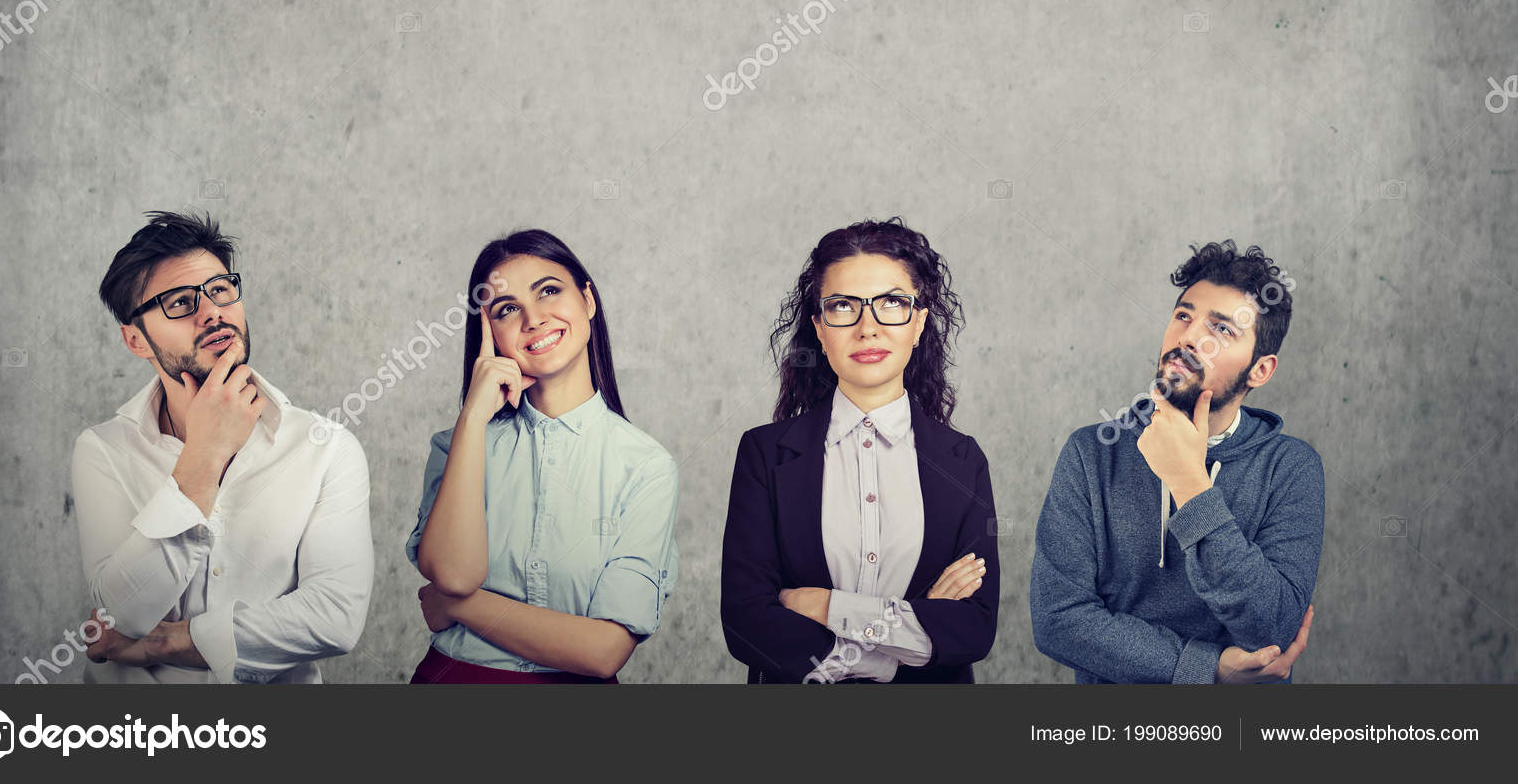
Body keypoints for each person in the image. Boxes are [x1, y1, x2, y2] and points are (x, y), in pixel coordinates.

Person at [71, 210, 373, 682]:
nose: (212, 311)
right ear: (136, 339)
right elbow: (121, 616)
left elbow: (334, 619)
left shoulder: (325, 448)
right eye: (178, 302)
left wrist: (164, 642)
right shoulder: (103, 450)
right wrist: (204, 456)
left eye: (219, 289)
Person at [1030, 239, 1323, 683]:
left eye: (1222, 329)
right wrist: (1207, 670)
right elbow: (1058, 620)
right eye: (1184, 316)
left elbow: (1272, 629)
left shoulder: (1291, 467)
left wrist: (1190, 484)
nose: (1190, 336)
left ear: (1260, 370)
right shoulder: (1091, 453)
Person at [721, 218, 1000, 683]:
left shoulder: (963, 460)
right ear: (820, 328)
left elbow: (973, 629)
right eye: (843, 306)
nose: (868, 327)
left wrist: (828, 606)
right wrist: (906, 633)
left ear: (919, 323)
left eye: (892, 303)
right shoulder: (764, 454)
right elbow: (746, 622)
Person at [407, 230, 679, 682]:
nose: (533, 319)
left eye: (549, 291)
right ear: (487, 332)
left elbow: (603, 651)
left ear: (587, 300)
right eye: (507, 309)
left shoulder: (645, 466)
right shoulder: (454, 445)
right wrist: (473, 418)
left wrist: (461, 606)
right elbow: (454, 573)